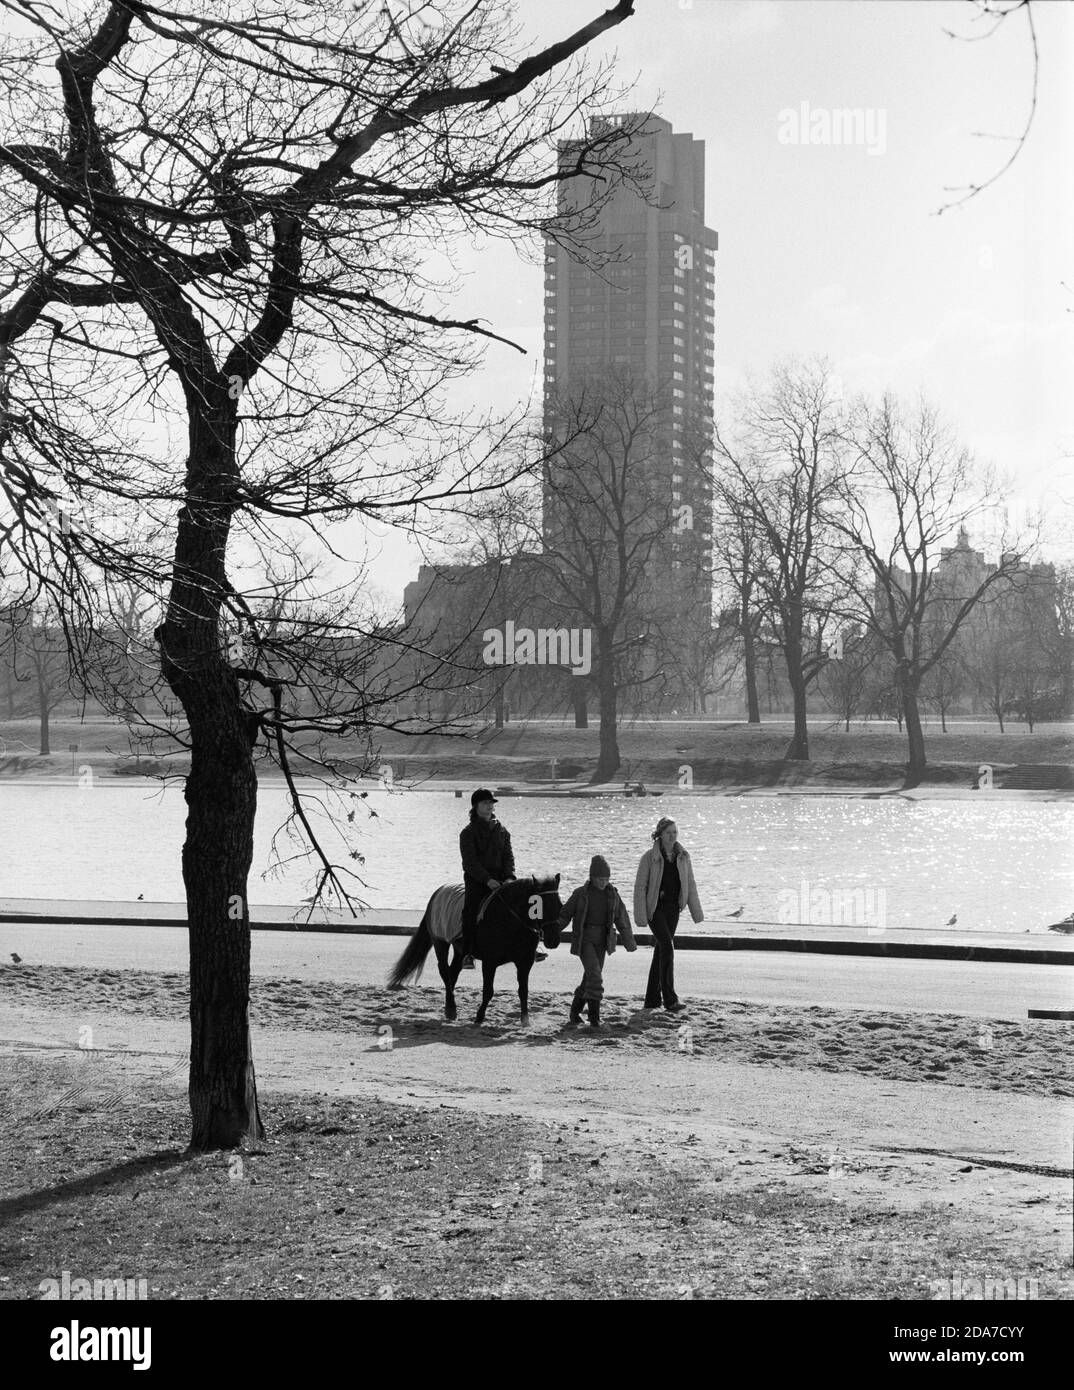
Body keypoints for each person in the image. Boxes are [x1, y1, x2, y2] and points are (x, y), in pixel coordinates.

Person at [556, 854, 636, 1029]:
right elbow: (564, 915)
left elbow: (622, 918)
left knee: (589, 978)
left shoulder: (613, 895)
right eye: (600, 879)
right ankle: (594, 1018)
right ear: (591, 878)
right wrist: (552, 932)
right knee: (595, 976)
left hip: (603, 941)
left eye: (606, 879)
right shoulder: (580, 894)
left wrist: (629, 942)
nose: (603, 882)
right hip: (584, 940)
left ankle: (575, 1012)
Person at [633, 816, 703, 1012]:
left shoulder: (683, 856)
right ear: (660, 835)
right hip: (655, 909)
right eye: (668, 832)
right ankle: (670, 998)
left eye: (674, 832)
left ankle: (651, 1000)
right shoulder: (649, 857)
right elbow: (640, 887)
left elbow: (690, 884)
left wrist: (696, 912)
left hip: (673, 909)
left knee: (660, 952)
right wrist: (640, 915)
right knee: (667, 946)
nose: (672, 836)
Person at [459, 788, 516, 969]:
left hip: (502, 879)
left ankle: (530, 946)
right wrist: (487, 879)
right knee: (470, 910)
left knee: (522, 903)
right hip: (478, 880)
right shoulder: (467, 833)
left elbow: (509, 857)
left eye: (491, 803)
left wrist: (509, 878)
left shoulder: (502, 830)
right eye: (485, 803)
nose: (489, 806)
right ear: (476, 806)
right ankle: (467, 953)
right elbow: (470, 862)